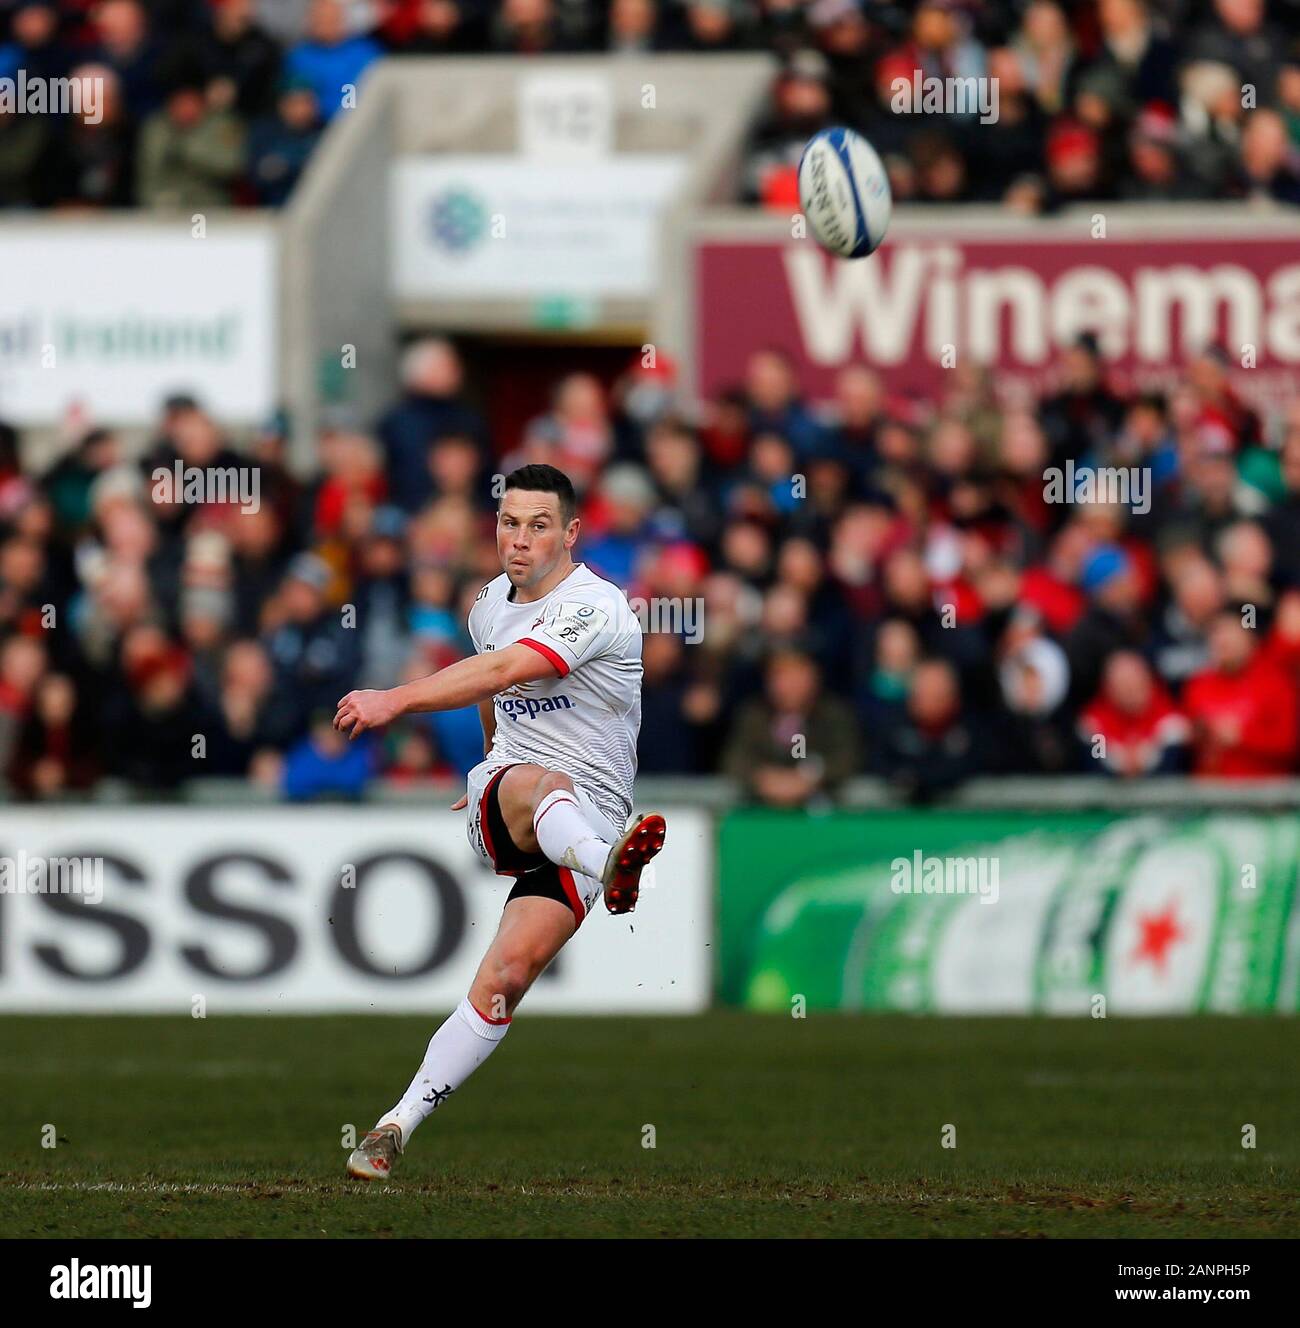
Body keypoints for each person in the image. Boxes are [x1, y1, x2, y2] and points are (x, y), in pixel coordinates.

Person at [335, 463, 666, 1180]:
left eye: (539, 525)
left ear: (571, 533)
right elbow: (494, 681)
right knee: (541, 781)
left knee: (505, 979)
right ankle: (608, 863)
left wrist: (395, 699)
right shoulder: (487, 604)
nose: (519, 539)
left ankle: (394, 1125)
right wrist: (492, 768)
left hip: (590, 815)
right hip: (530, 801)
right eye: (509, 523)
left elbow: (503, 670)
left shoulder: (596, 607)